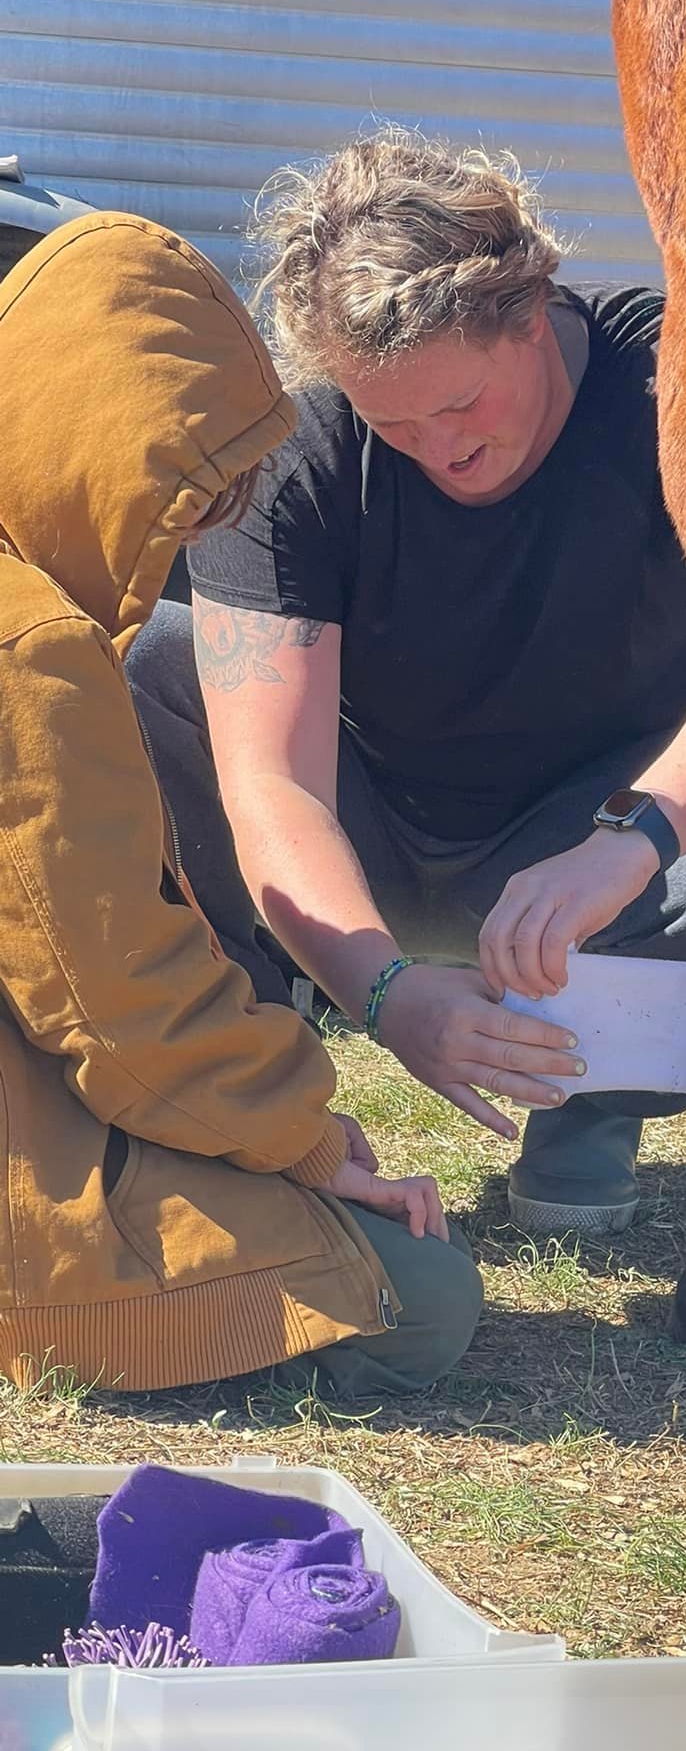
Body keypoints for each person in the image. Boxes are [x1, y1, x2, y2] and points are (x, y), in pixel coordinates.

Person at [127, 127, 686, 1296]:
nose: (440, 448)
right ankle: (240, 1084)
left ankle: (587, 1097)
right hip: (374, 829)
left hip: (587, 837)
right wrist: (385, 992)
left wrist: (629, 842)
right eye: (395, 426)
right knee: (141, 677)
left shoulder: (683, 383)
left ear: (531, 311)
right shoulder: (296, 443)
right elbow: (273, 786)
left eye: (460, 404)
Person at [0, 210, 482, 1400]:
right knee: (422, 1300)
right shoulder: (34, 648)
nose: (200, 530)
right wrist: (308, 1141)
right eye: (185, 492)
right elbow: (117, 1011)